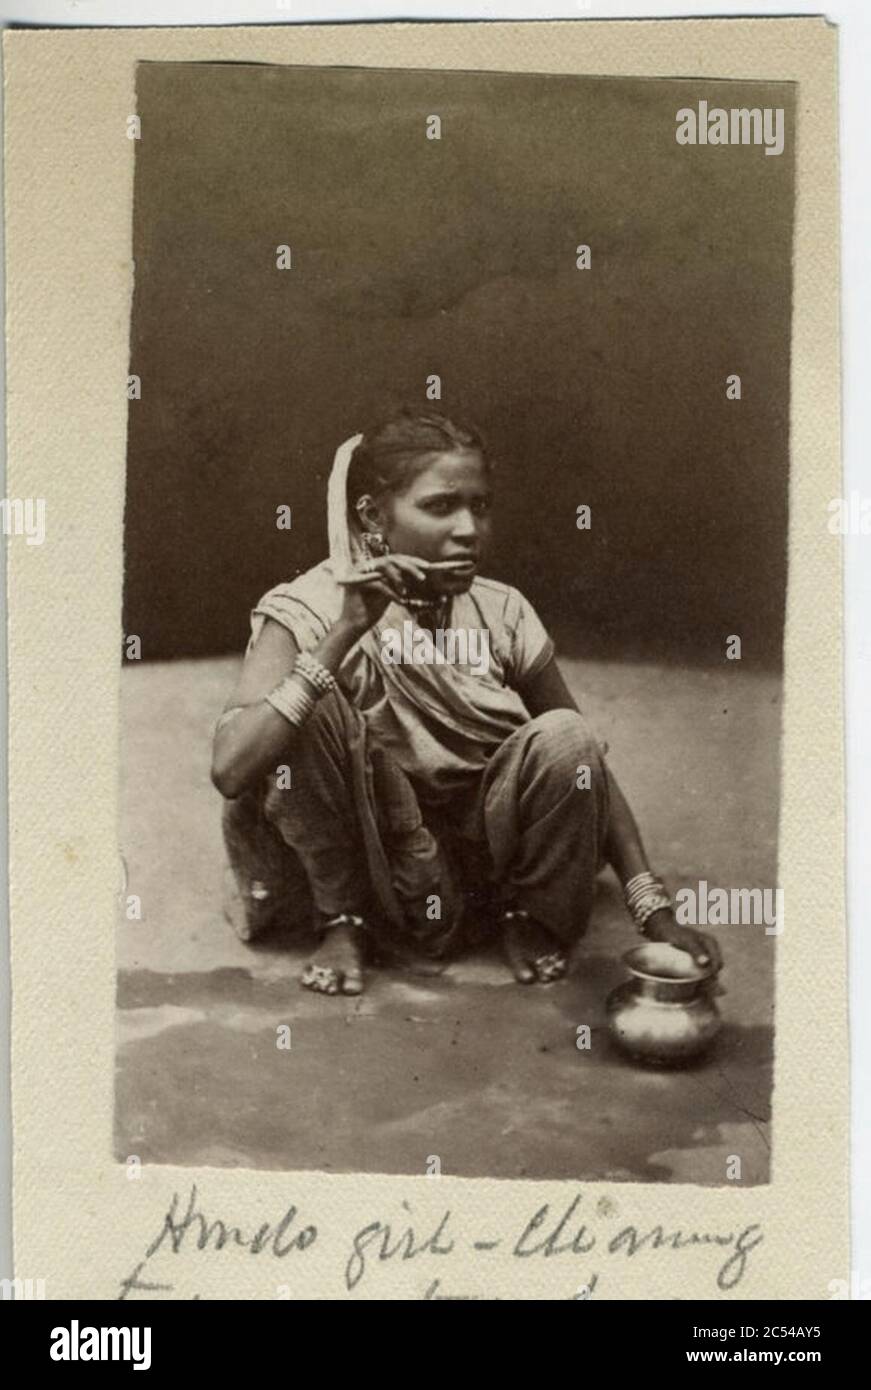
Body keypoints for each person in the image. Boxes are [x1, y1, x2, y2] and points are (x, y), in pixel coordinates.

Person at [211, 408, 721, 996]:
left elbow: (584, 768)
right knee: (305, 709)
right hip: (370, 866)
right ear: (374, 516)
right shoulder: (309, 607)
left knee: (565, 736)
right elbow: (230, 766)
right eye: (440, 506)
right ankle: (342, 920)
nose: (469, 529)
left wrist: (653, 910)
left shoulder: (502, 610)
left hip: (479, 870)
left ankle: (527, 914)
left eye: (479, 506)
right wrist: (345, 632)